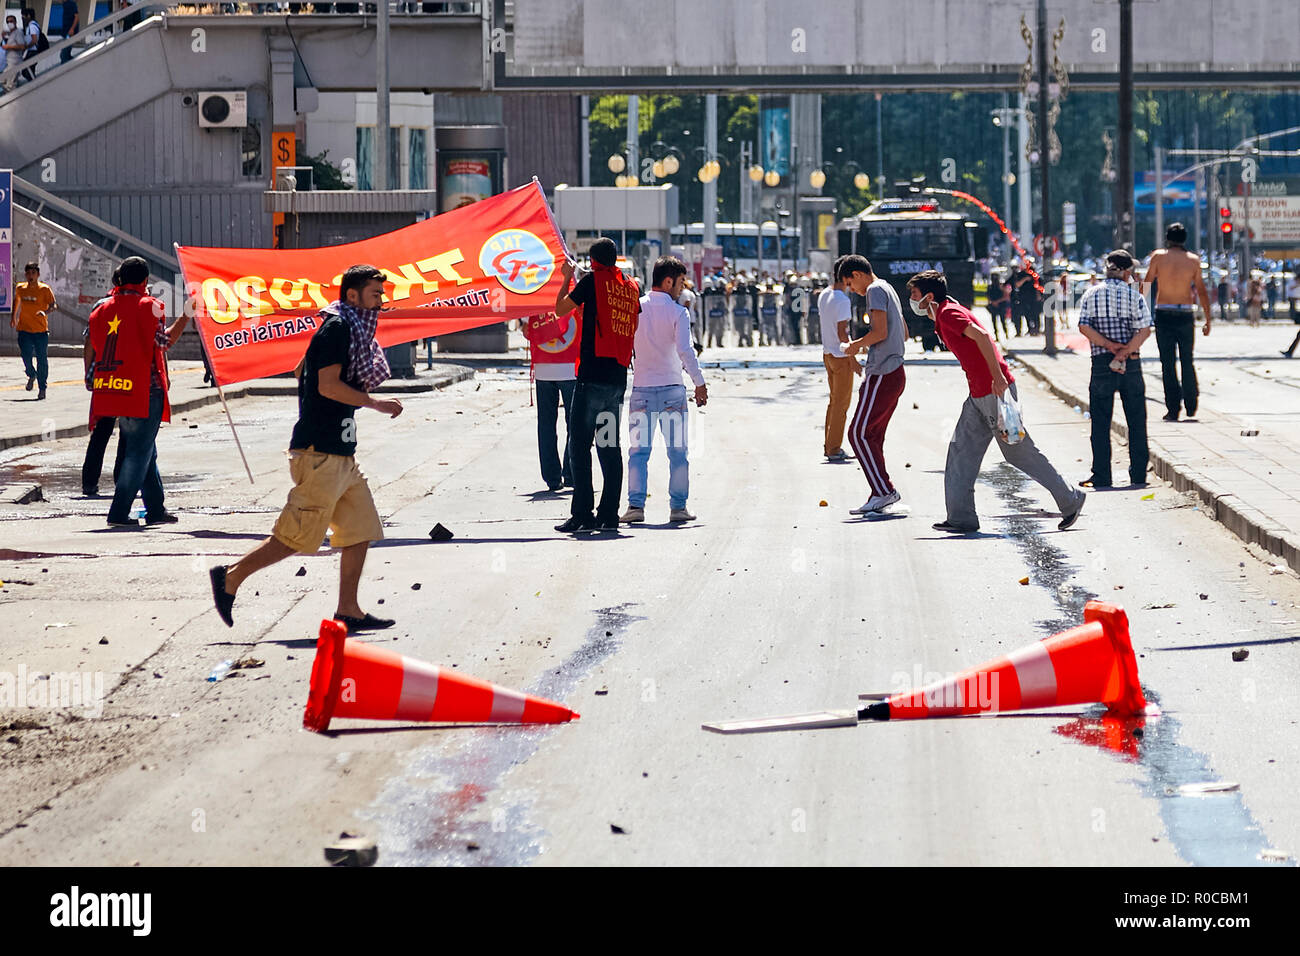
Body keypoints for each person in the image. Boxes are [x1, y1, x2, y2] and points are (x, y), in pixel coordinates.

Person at [209, 264, 403, 630]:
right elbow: (327, 386)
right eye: (375, 295)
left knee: (361, 530)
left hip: (341, 454)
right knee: (296, 536)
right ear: (351, 295)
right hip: (319, 453)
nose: (380, 302)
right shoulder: (337, 328)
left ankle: (349, 610)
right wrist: (375, 403)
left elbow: (301, 370)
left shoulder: (345, 328)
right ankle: (230, 577)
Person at [909, 270, 1085, 535]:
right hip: (979, 395)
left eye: (914, 294)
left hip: (993, 391)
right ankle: (961, 517)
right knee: (961, 452)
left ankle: (1070, 499)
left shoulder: (947, 313)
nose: (911, 300)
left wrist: (999, 377)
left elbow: (981, 336)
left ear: (929, 296)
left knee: (1018, 451)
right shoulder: (947, 310)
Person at [87, 256, 188, 527]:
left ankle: (156, 509)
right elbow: (164, 342)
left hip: (116, 389)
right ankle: (118, 512)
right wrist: (187, 315)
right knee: (138, 452)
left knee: (145, 450)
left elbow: (94, 347)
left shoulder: (101, 309)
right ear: (145, 281)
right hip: (145, 391)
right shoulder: (150, 306)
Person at [551, 237, 639, 534]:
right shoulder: (629, 287)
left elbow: (561, 309)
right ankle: (609, 515)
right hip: (617, 379)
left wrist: (566, 279)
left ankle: (582, 514)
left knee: (579, 446)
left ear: (594, 261)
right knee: (609, 448)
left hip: (590, 378)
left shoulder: (592, 281)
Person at [621, 256, 707, 525]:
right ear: (668, 281)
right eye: (680, 282)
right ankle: (678, 507)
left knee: (638, 453)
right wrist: (699, 382)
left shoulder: (636, 309)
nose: (682, 288)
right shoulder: (679, 312)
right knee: (678, 453)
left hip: (642, 390)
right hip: (672, 390)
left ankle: (636, 506)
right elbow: (685, 350)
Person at [1075, 250, 1153, 489]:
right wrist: (1125, 351)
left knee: (1100, 421)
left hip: (1101, 364)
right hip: (1130, 365)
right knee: (1137, 421)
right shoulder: (1134, 296)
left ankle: (1101, 474)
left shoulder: (1091, 294)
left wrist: (1109, 346)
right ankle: (1138, 474)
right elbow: (1145, 330)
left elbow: (1084, 327)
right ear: (1127, 271)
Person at [841, 255, 907, 515]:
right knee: (872, 436)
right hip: (894, 370)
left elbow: (879, 332)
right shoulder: (888, 287)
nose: (851, 289)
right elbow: (902, 331)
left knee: (857, 433)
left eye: (849, 283)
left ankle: (883, 491)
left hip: (883, 372)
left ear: (858, 274)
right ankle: (880, 490)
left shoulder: (874, 290)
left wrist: (854, 346)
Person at [1141, 223, 1212, 422]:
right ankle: (1191, 403)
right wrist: (1208, 319)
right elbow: (1202, 291)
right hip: (1185, 313)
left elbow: (1147, 284)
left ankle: (1173, 408)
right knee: (1187, 360)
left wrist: (1136, 310)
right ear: (1184, 239)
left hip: (1163, 313)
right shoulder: (1193, 260)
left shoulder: (1158, 257)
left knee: (1168, 363)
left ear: (1168, 238)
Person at [81, 268, 126, 496]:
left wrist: (88, 373)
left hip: (105, 375)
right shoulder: (141, 305)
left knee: (102, 431)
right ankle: (122, 481)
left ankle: (89, 482)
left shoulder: (100, 305)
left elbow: (89, 343)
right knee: (128, 432)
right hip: (130, 377)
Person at [523, 309, 579, 491]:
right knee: (575, 424)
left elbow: (526, 331)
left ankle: (552, 478)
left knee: (546, 425)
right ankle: (571, 472)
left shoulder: (534, 297)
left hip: (543, 367)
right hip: (571, 367)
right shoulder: (574, 295)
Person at [818, 257, 859, 462]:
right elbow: (843, 333)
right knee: (841, 405)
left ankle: (829, 444)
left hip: (827, 354)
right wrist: (853, 357)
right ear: (845, 276)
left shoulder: (825, 294)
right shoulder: (842, 300)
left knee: (833, 402)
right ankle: (834, 448)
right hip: (841, 356)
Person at [11, 261, 55, 399]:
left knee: (42, 359)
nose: (30, 276)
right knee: (26, 356)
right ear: (25, 274)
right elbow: (16, 301)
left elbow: (54, 305)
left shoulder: (44, 289)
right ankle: (31, 374)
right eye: (28, 273)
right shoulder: (20, 288)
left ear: (38, 274)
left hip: (40, 331)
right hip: (24, 329)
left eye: (33, 273)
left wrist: (45, 312)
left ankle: (42, 388)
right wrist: (13, 317)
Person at [2, 15, 25, 92]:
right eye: (7, 22)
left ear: (15, 22)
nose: (9, 23)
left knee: (10, 86)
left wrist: (9, 47)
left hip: (15, 62)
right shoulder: (11, 34)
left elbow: (22, 46)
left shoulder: (18, 32)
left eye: (11, 21)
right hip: (9, 63)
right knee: (3, 80)